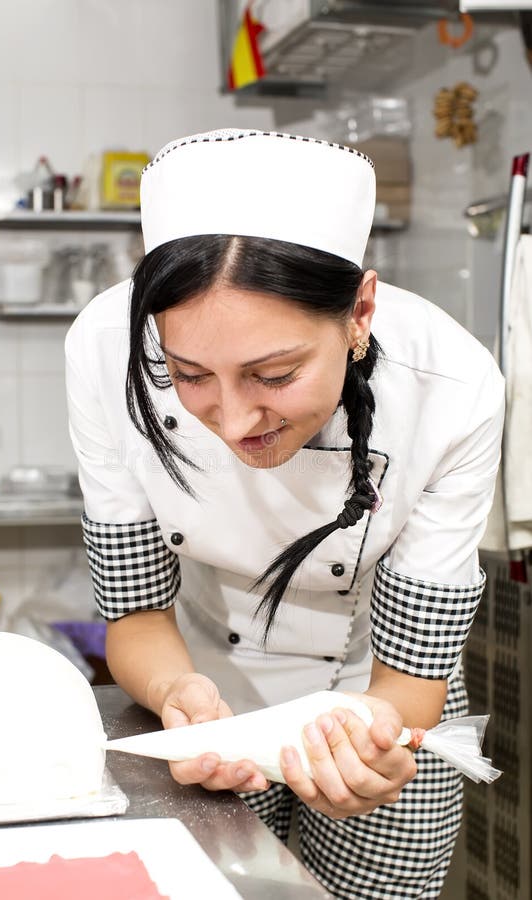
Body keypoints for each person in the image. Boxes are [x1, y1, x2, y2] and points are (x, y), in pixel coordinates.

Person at [66, 129, 504, 898]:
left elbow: (413, 675)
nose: (234, 422)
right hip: (201, 698)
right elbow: (133, 616)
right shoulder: (104, 352)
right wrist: (176, 696)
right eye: (190, 374)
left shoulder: (455, 387)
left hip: (380, 707)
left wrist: (371, 742)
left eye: (274, 373)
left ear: (359, 311)